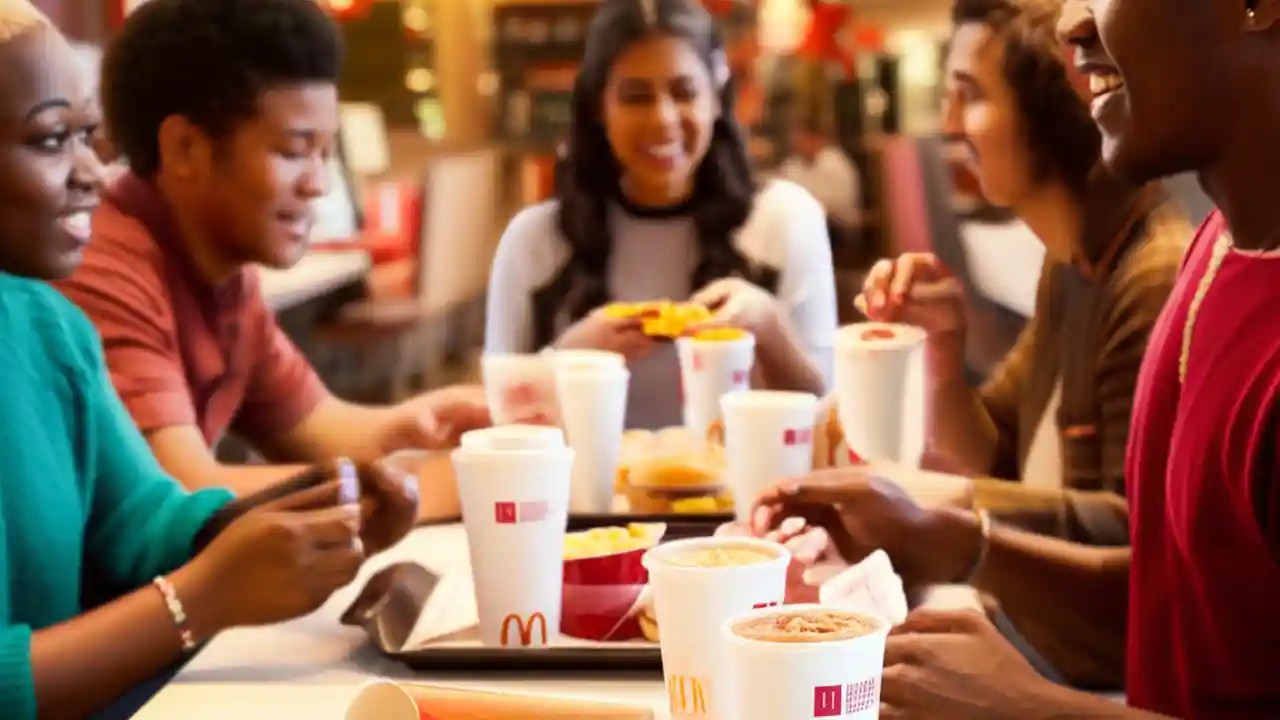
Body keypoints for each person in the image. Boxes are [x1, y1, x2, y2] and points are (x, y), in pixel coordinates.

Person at [760, 0, 1280, 715]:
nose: (1072, 22)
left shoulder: (1164, 269)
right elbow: (1174, 605)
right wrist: (953, 542)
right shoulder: (1216, 250)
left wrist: (1032, 710)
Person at [0, 5, 417, 718]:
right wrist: (201, 597)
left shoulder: (50, 326)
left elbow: (146, 518)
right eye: (49, 140)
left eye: (88, 137)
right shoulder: (99, 281)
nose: (94, 175)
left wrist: (316, 512)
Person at [54, 0, 490, 498]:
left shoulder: (224, 268)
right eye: (293, 151)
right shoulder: (99, 267)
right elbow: (184, 493)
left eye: (325, 153)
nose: (319, 184)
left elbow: (315, 425)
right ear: (185, 149)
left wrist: (413, 425)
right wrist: (443, 487)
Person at [484, 0, 838, 430]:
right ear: (599, 107)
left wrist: (767, 326)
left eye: (684, 92)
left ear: (716, 98)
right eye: (635, 97)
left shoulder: (784, 220)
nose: (663, 119)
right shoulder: (535, 241)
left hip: (742, 496)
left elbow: (822, 416)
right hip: (581, 498)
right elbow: (492, 421)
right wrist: (566, 359)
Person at [778, 115, 861, 232]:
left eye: (800, 135)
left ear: (815, 138)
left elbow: (838, 203)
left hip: (837, 224)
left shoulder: (835, 161)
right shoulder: (791, 165)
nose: (795, 140)